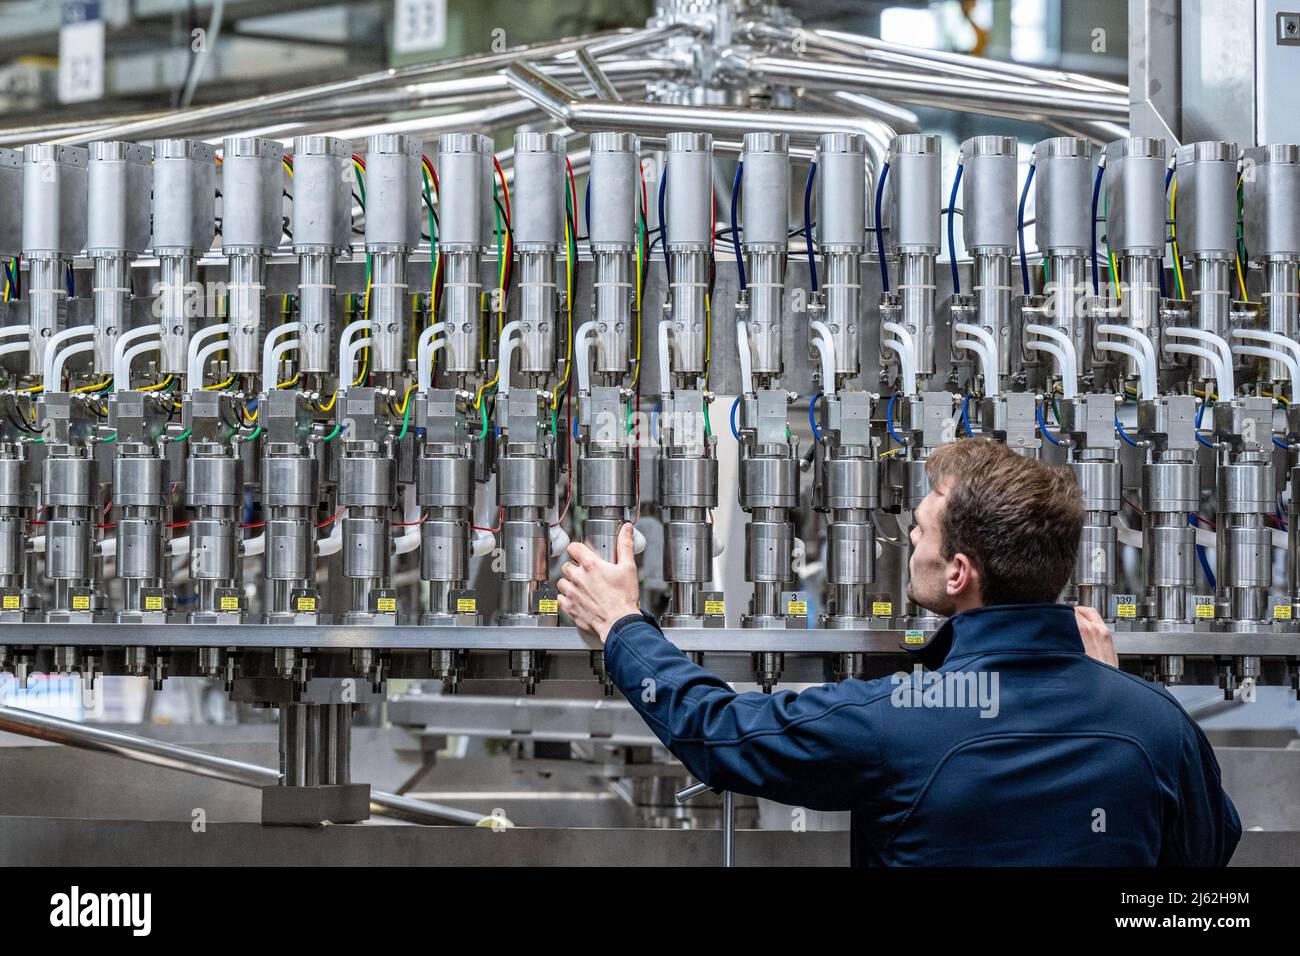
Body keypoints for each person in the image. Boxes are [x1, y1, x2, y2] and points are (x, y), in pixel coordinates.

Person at [556, 438, 1241, 866]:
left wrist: (622, 625)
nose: (908, 542)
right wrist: (1118, 702)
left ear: (958, 572)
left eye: (919, 531)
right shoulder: (1159, 727)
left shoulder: (902, 716)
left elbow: (716, 733)